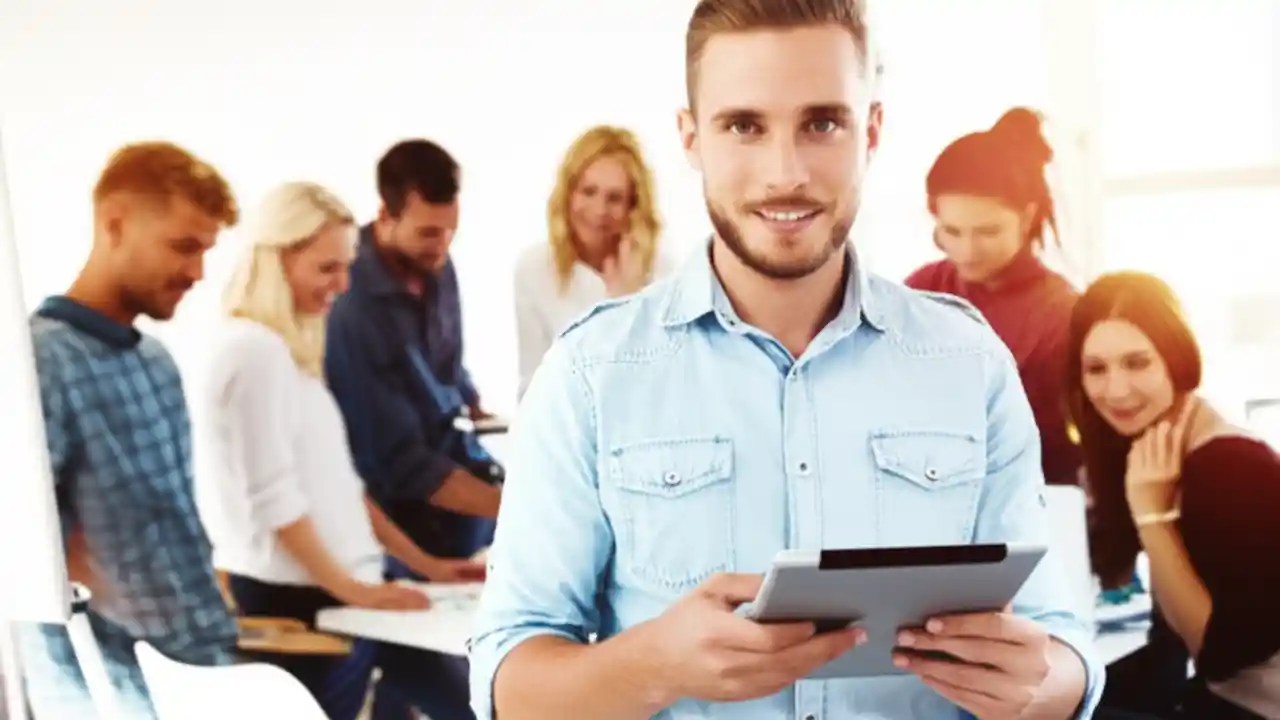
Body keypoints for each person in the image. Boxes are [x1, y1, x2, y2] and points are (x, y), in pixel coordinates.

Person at [468, 2, 1102, 719]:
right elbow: (507, 688)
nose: (785, 172)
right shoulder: (588, 374)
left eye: (822, 123)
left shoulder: (969, 363)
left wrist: (1035, 685)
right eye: (744, 126)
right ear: (691, 138)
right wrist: (653, 664)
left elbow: (1062, 652)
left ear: (871, 131)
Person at [192, 181, 486, 719]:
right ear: (277, 258)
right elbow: (275, 501)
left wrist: (427, 566)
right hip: (304, 600)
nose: (343, 285)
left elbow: (344, 490)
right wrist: (355, 592)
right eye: (327, 268)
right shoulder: (252, 351)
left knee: (475, 703)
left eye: (347, 266)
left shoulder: (287, 353)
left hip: (351, 590)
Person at [14, 142, 240, 718]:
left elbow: (171, 517)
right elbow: (26, 551)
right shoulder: (38, 363)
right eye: (183, 247)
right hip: (108, 689)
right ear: (115, 224)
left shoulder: (157, 362)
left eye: (205, 251)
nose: (197, 273)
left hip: (199, 665)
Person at [324, 139, 499, 719]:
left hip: (457, 497)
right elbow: (400, 464)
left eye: (449, 231)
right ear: (385, 215)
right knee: (452, 685)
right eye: (428, 232)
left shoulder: (437, 266)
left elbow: (448, 368)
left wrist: (473, 402)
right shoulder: (352, 307)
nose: (441, 245)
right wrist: (517, 505)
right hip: (399, 517)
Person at [1068, 272, 1280, 719]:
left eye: (1137, 362)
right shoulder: (1151, 449)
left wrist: (1153, 516)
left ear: (1175, 358)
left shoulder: (1233, 465)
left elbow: (1219, 656)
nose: (1116, 390)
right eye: (1096, 369)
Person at [905, 108, 1082, 487]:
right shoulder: (921, 290)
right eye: (952, 231)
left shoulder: (1062, 313)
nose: (967, 251)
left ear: (1027, 216)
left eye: (987, 232)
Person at [513, 125, 671, 397]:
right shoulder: (534, 268)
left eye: (615, 198)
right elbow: (533, 384)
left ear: (633, 206)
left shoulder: (662, 272)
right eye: (588, 192)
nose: (600, 210)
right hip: (563, 417)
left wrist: (627, 298)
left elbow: (658, 380)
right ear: (568, 193)